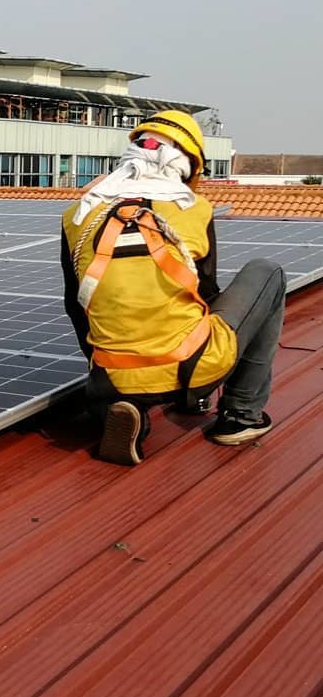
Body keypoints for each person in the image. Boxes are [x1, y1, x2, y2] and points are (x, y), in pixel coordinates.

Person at [60, 110, 286, 466]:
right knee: (267, 273)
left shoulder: (77, 214)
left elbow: (75, 305)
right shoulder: (194, 208)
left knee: (121, 350)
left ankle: (125, 407)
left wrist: (99, 370)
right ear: (188, 163)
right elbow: (207, 294)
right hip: (191, 366)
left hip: (109, 375)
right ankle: (240, 416)